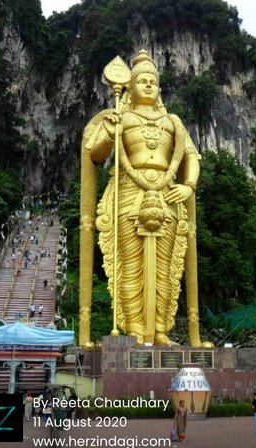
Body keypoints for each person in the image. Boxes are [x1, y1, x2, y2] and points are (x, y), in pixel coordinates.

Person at [79, 50, 205, 347]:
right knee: (130, 264)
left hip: (167, 192)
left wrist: (188, 185)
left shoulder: (173, 121)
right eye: (142, 81)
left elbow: (191, 156)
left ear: (159, 88)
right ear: (130, 87)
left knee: (164, 268)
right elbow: (94, 154)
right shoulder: (122, 116)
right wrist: (110, 133)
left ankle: (160, 330)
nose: (148, 85)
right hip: (129, 193)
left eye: (153, 81)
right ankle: (135, 329)